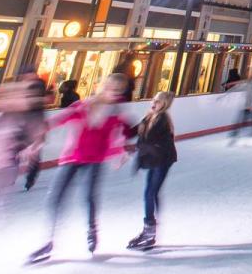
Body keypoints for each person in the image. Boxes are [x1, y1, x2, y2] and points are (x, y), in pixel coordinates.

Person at [28, 74, 132, 264]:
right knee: (55, 198)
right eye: (111, 89)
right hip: (72, 158)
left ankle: (92, 230)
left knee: (89, 198)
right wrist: (35, 142)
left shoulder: (115, 112)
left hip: (95, 160)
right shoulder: (84, 105)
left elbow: (116, 137)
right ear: (104, 87)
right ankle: (48, 241)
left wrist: (120, 151)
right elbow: (57, 120)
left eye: (118, 91)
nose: (114, 93)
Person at [125, 91, 178, 251]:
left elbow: (150, 140)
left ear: (165, 105)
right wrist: (120, 124)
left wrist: (133, 147)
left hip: (163, 159)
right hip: (154, 159)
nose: (154, 103)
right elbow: (134, 132)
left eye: (159, 102)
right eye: (154, 100)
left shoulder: (162, 119)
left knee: (150, 193)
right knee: (150, 193)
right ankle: (150, 228)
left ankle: (150, 230)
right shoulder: (149, 116)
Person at [228, 68, 252, 141]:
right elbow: (242, 82)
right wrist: (231, 84)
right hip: (247, 104)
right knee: (246, 119)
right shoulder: (250, 81)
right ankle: (236, 132)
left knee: (250, 119)